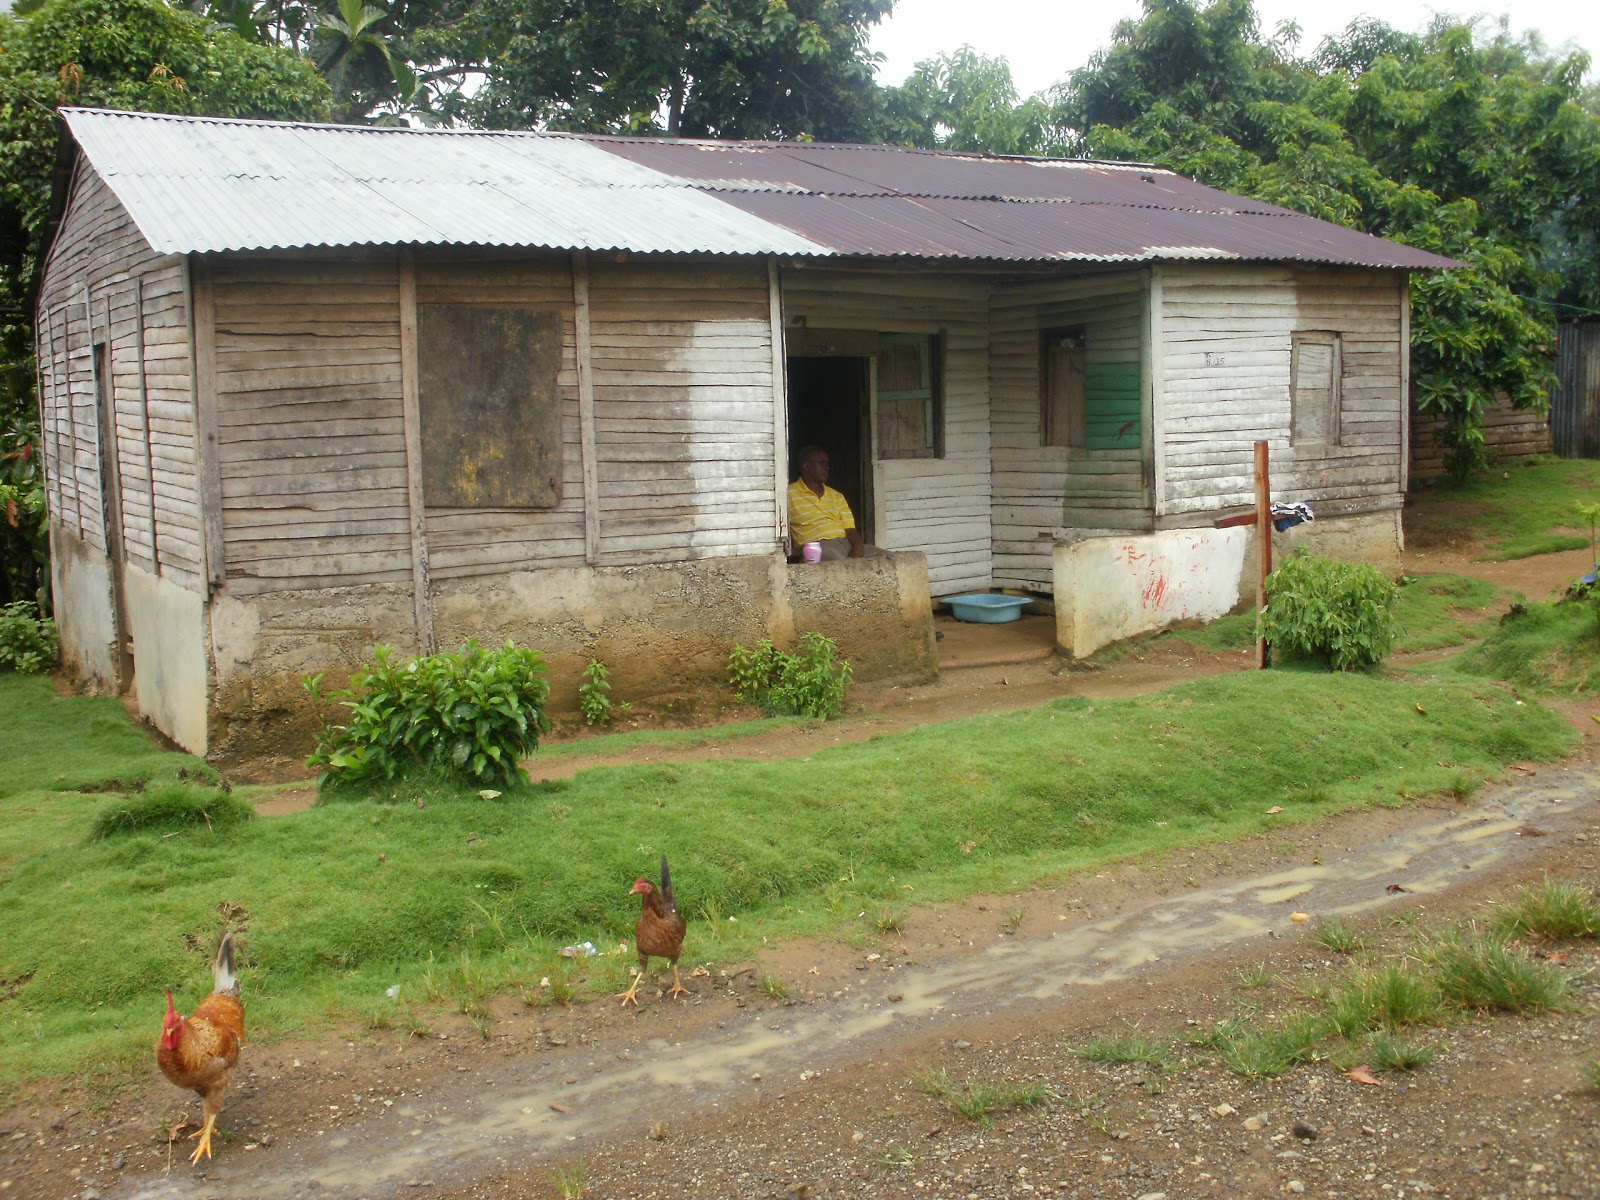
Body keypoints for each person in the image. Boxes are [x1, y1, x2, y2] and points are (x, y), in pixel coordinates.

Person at [786, 445, 883, 561]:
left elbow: (850, 530)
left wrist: (858, 547)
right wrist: (796, 550)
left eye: (827, 464)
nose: (826, 467)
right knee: (838, 562)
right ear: (806, 465)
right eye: (821, 463)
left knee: (888, 558)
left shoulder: (836, 496)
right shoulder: (789, 494)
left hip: (845, 544)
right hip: (819, 547)